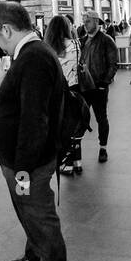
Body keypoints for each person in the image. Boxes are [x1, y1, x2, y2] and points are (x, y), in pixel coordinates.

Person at [0, 1, 68, 261]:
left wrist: (23, 169)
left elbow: (36, 119)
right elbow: (21, 103)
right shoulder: (31, 54)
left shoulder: (33, 58)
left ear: (6, 29)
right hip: (20, 161)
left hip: (29, 165)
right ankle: (34, 255)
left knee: (42, 221)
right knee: (28, 214)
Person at [78, 10, 118, 163]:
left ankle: (103, 148)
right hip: (84, 87)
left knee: (101, 118)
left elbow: (113, 63)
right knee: (80, 118)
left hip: (99, 87)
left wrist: (105, 82)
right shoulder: (82, 41)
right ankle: (75, 151)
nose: (85, 24)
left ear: (96, 21)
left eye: (88, 21)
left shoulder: (106, 40)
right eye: (84, 21)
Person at [46, 14, 84, 176]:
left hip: (57, 93)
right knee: (75, 127)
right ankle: (77, 162)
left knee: (61, 129)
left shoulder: (48, 49)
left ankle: (65, 164)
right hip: (75, 90)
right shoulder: (76, 44)